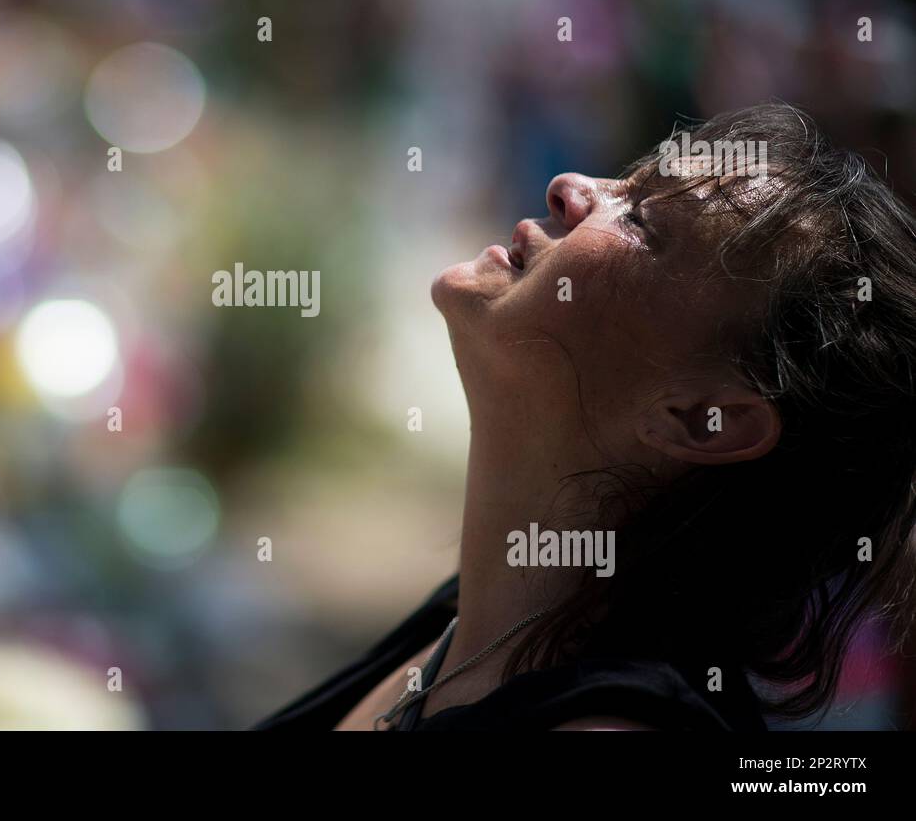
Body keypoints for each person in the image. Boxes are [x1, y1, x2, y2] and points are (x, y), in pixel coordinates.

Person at [253, 104, 916, 731]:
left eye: (644, 223)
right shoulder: (462, 625)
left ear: (703, 419)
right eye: (627, 181)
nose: (568, 186)